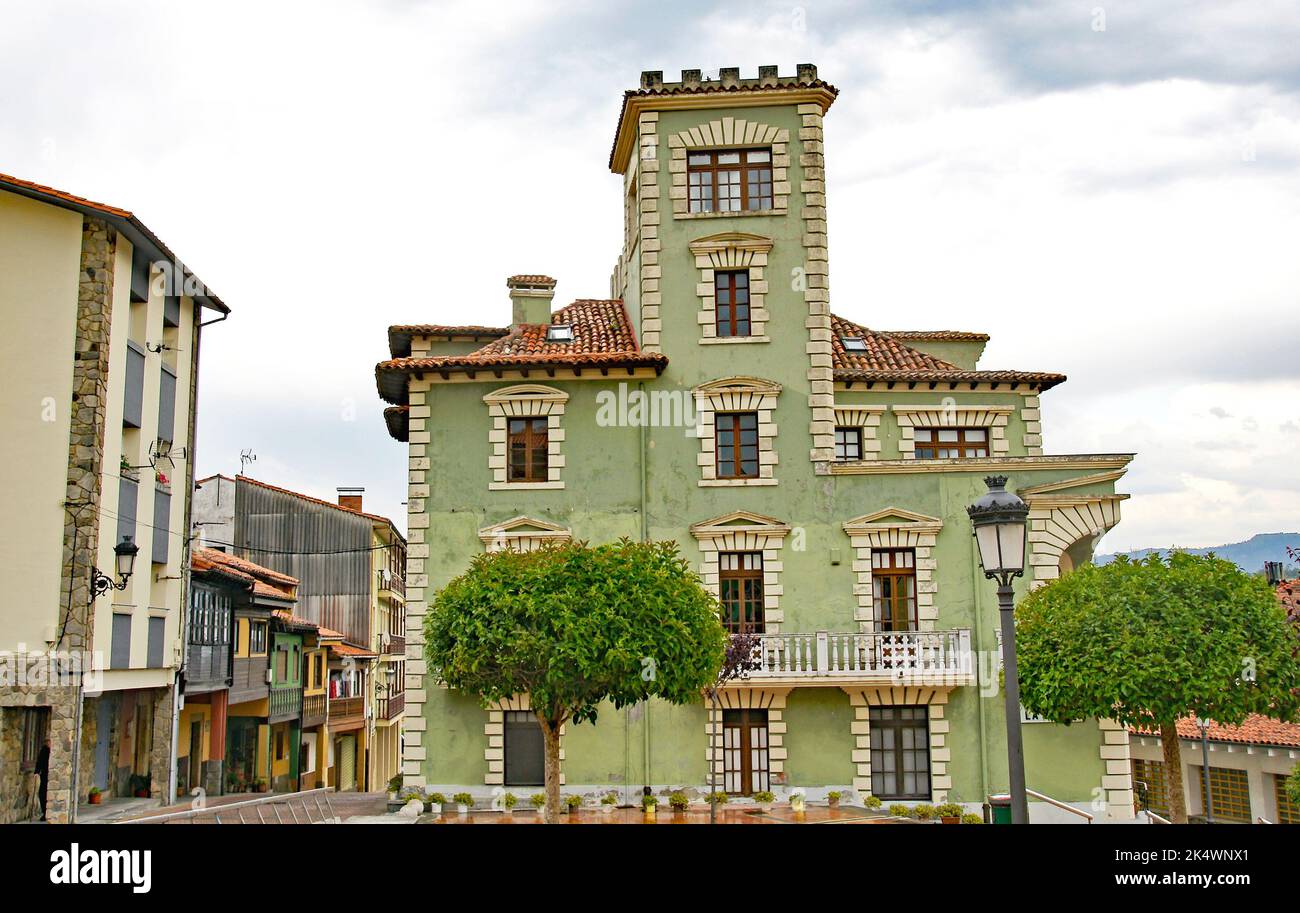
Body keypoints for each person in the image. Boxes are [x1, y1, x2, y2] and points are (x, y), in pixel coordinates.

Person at [35, 738, 51, 822]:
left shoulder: (54, 751)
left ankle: (48, 813)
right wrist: (36, 772)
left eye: (49, 741)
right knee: (42, 793)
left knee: (48, 794)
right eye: (47, 742)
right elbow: (39, 761)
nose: (48, 743)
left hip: (51, 775)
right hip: (45, 775)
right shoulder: (44, 750)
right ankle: (45, 812)